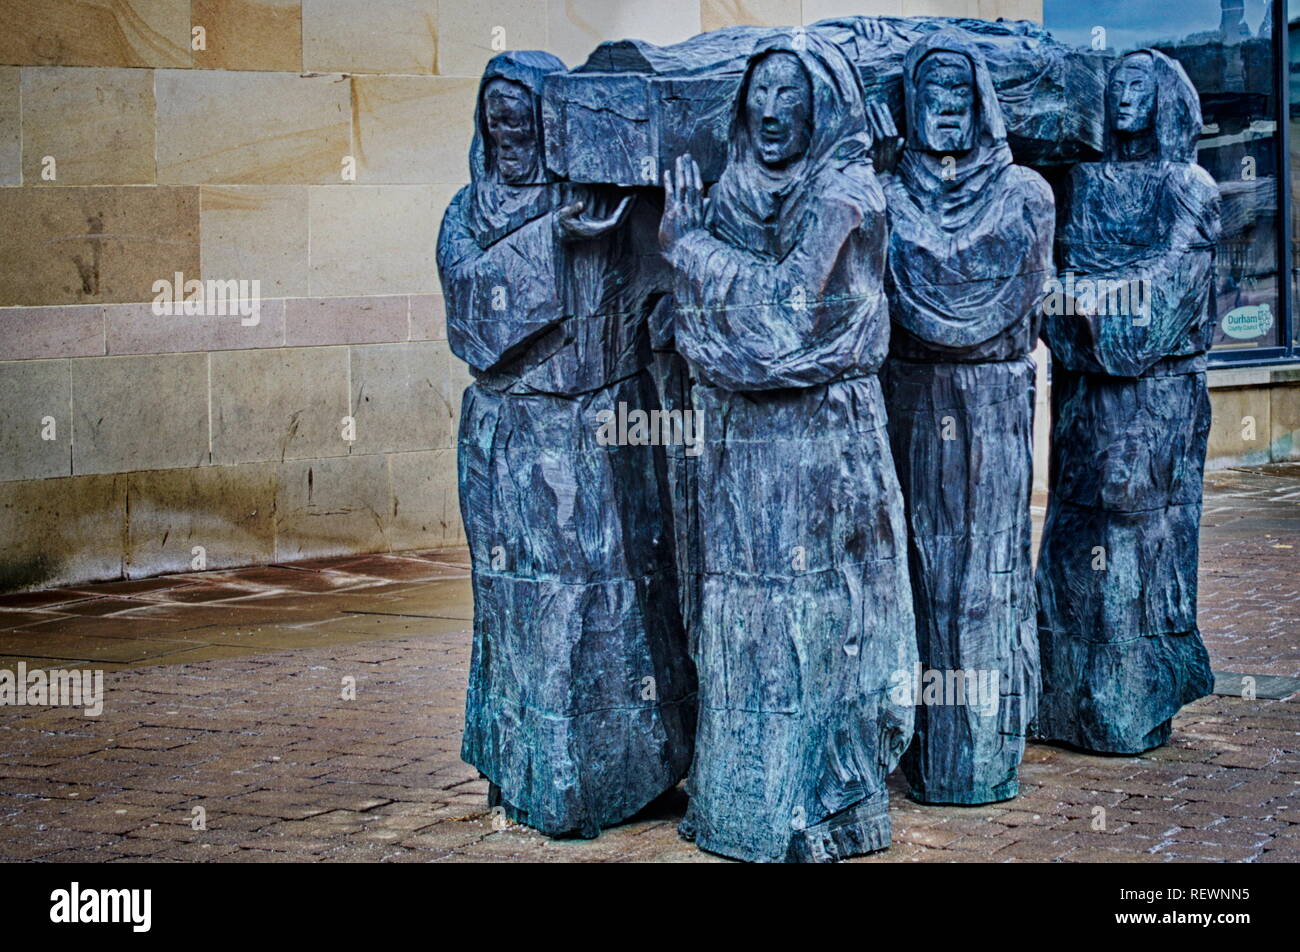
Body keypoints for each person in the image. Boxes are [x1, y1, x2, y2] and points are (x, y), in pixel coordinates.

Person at [659, 32, 916, 863]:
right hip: (741, 453)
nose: (771, 111)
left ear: (823, 103)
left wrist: (691, 253)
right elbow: (703, 343)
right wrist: (725, 333)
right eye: (758, 93)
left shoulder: (848, 197)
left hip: (823, 449)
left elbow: (782, 319)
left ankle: (824, 808)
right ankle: (748, 803)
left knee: (823, 621)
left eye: (790, 93)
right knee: (749, 626)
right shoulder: (732, 190)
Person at [437, 51, 695, 838]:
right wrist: (553, 236)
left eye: (524, 113)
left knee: (633, 602)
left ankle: (641, 767)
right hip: (517, 437)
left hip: (612, 429)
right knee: (540, 614)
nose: (509, 126)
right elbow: (472, 319)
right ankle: (543, 773)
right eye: (497, 113)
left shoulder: (612, 205)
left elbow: (665, 296)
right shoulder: (467, 211)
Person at [870, 27, 1053, 805]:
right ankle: (916, 749)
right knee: (909, 567)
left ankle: (979, 755)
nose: (944, 112)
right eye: (928, 97)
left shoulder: (1026, 198)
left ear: (980, 105)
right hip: (909, 399)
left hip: (992, 404)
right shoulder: (882, 196)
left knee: (985, 575)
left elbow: (1023, 304)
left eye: (957, 96)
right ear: (907, 105)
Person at [1036, 49, 1220, 753]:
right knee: (1074, 538)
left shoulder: (1189, 185)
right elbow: (1049, 285)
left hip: (1158, 403)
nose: (1123, 96)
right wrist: (1081, 313)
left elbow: (1164, 295)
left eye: (1139, 83)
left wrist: (1088, 305)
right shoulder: (1077, 184)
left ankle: (1130, 698)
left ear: (1167, 97)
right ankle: (1062, 700)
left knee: (1139, 541)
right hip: (1084, 400)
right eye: (1115, 85)